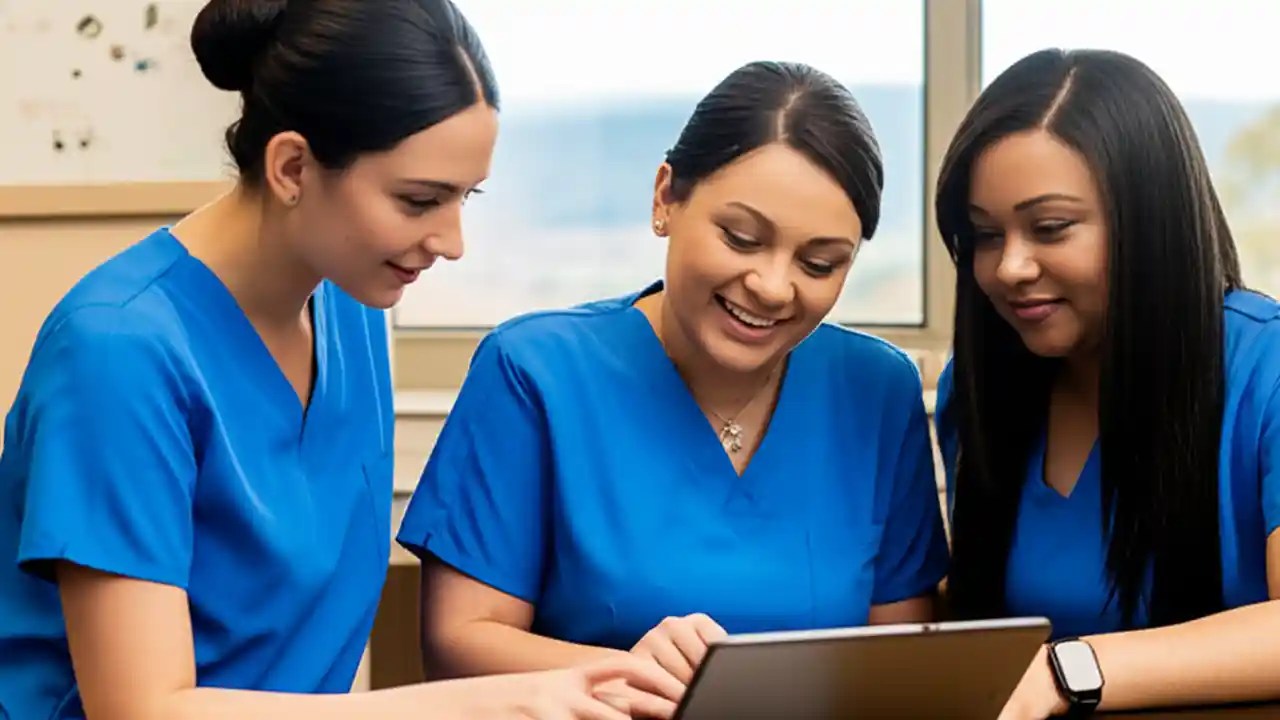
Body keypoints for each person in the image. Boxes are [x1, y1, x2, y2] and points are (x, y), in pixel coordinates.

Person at [0, 1, 679, 719]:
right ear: (292, 166)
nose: (452, 242)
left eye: (464, 198)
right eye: (420, 200)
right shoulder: (118, 349)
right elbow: (143, 710)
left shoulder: (352, 309)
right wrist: (498, 702)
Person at [396, 59, 950, 700]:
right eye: (741, 238)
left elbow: (900, 662)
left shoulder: (877, 391)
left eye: (820, 263)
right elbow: (459, 642)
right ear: (666, 198)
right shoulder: (535, 371)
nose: (772, 287)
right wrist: (631, 670)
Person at [934, 48, 1280, 719]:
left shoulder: (1266, 368)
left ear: (1149, 220)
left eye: (1050, 228)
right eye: (982, 235)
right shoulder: (976, 389)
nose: (1008, 268)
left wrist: (1066, 671)